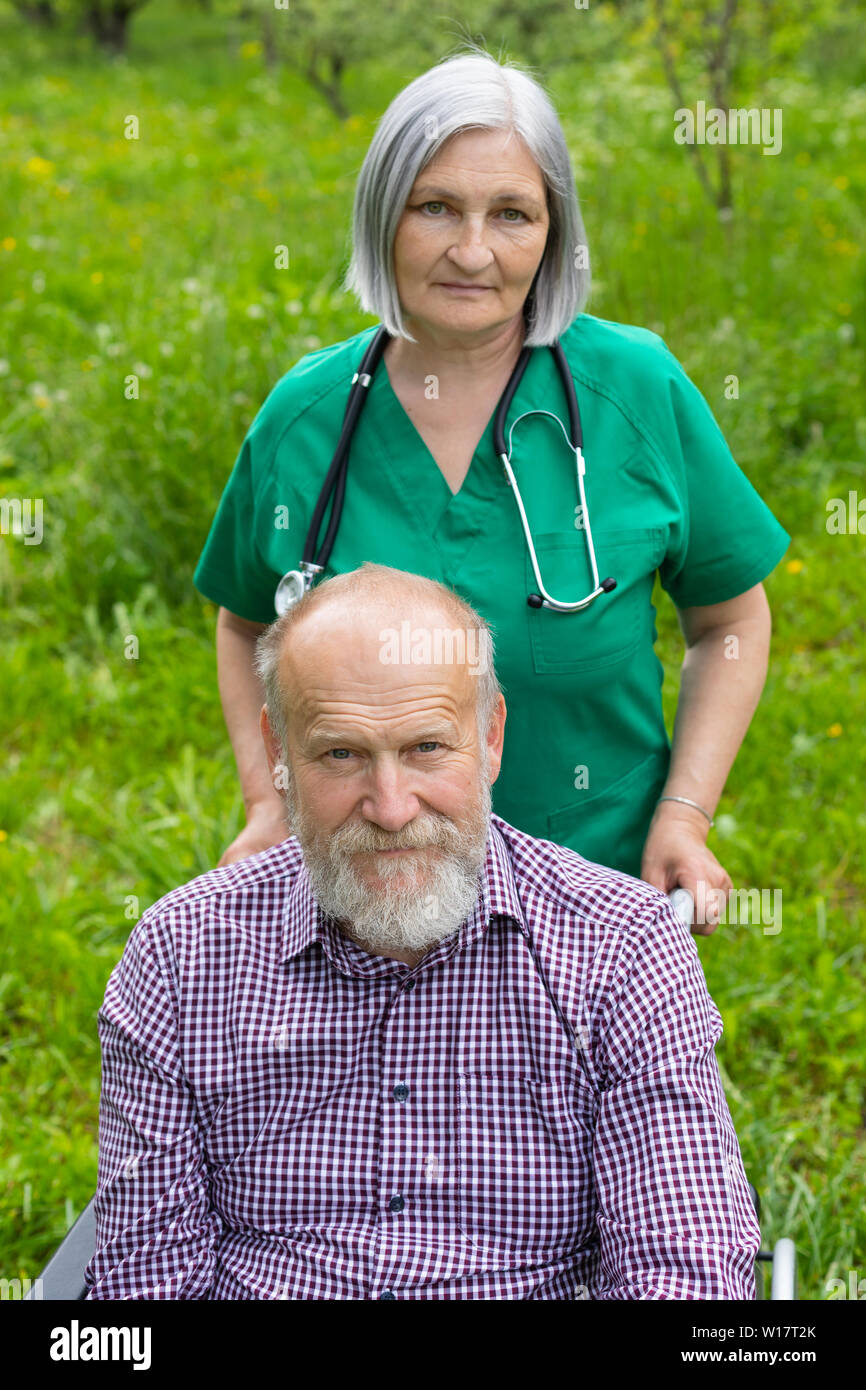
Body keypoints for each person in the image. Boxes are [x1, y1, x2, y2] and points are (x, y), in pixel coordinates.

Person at [194, 46, 789, 916]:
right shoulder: (305, 419)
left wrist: (684, 815)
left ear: (555, 234)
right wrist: (266, 802)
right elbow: (246, 622)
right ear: (382, 216)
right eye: (435, 206)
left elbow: (731, 619)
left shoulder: (636, 391)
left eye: (512, 213)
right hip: (362, 907)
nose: (473, 251)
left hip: (599, 904)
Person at [84, 564, 760, 1300]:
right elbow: (146, 1287)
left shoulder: (622, 949)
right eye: (342, 754)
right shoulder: (181, 957)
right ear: (278, 755)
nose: (392, 807)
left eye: (426, 749)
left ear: (492, 737)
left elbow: (684, 1274)